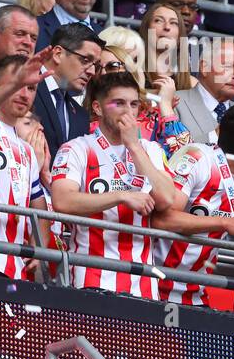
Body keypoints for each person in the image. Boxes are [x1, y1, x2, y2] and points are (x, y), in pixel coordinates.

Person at [49, 68, 178, 296]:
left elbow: (168, 199)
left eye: (134, 104)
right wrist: (121, 196)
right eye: (119, 103)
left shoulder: (151, 150)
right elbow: (62, 200)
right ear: (98, 108)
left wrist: (135, 147)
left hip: (143, 284)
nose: (128, 111)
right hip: (89, 278)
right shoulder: (76, 148)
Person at [151, 101, 234, 304]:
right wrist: (224, 223)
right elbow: (161, 220)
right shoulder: (197, 158)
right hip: (153, 285)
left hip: (196, 292)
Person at [0, 52, 49, 279]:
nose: (25, 94)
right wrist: (17, 81)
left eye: (31, 88)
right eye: (19, 85)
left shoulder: (27, 150)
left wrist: (40, 245)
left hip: (14, 269)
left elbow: (39, 207)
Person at [97, 19, 191, 156]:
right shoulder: (78, 108)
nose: (131, 68)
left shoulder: (150, 113)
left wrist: (165, 106)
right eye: (120, 60)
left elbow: (183, 157)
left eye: (135, 60)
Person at [31, 21, 99, 157]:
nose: (92, 71)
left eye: (95, 65)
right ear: (57, 54)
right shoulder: (24, 89)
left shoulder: (81, 116)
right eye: (85, 60)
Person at [176, 39, 234, 144]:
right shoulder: (174, 103)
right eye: (227, 66)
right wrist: (215, 135)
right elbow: (169, 150)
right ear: (204, 67)